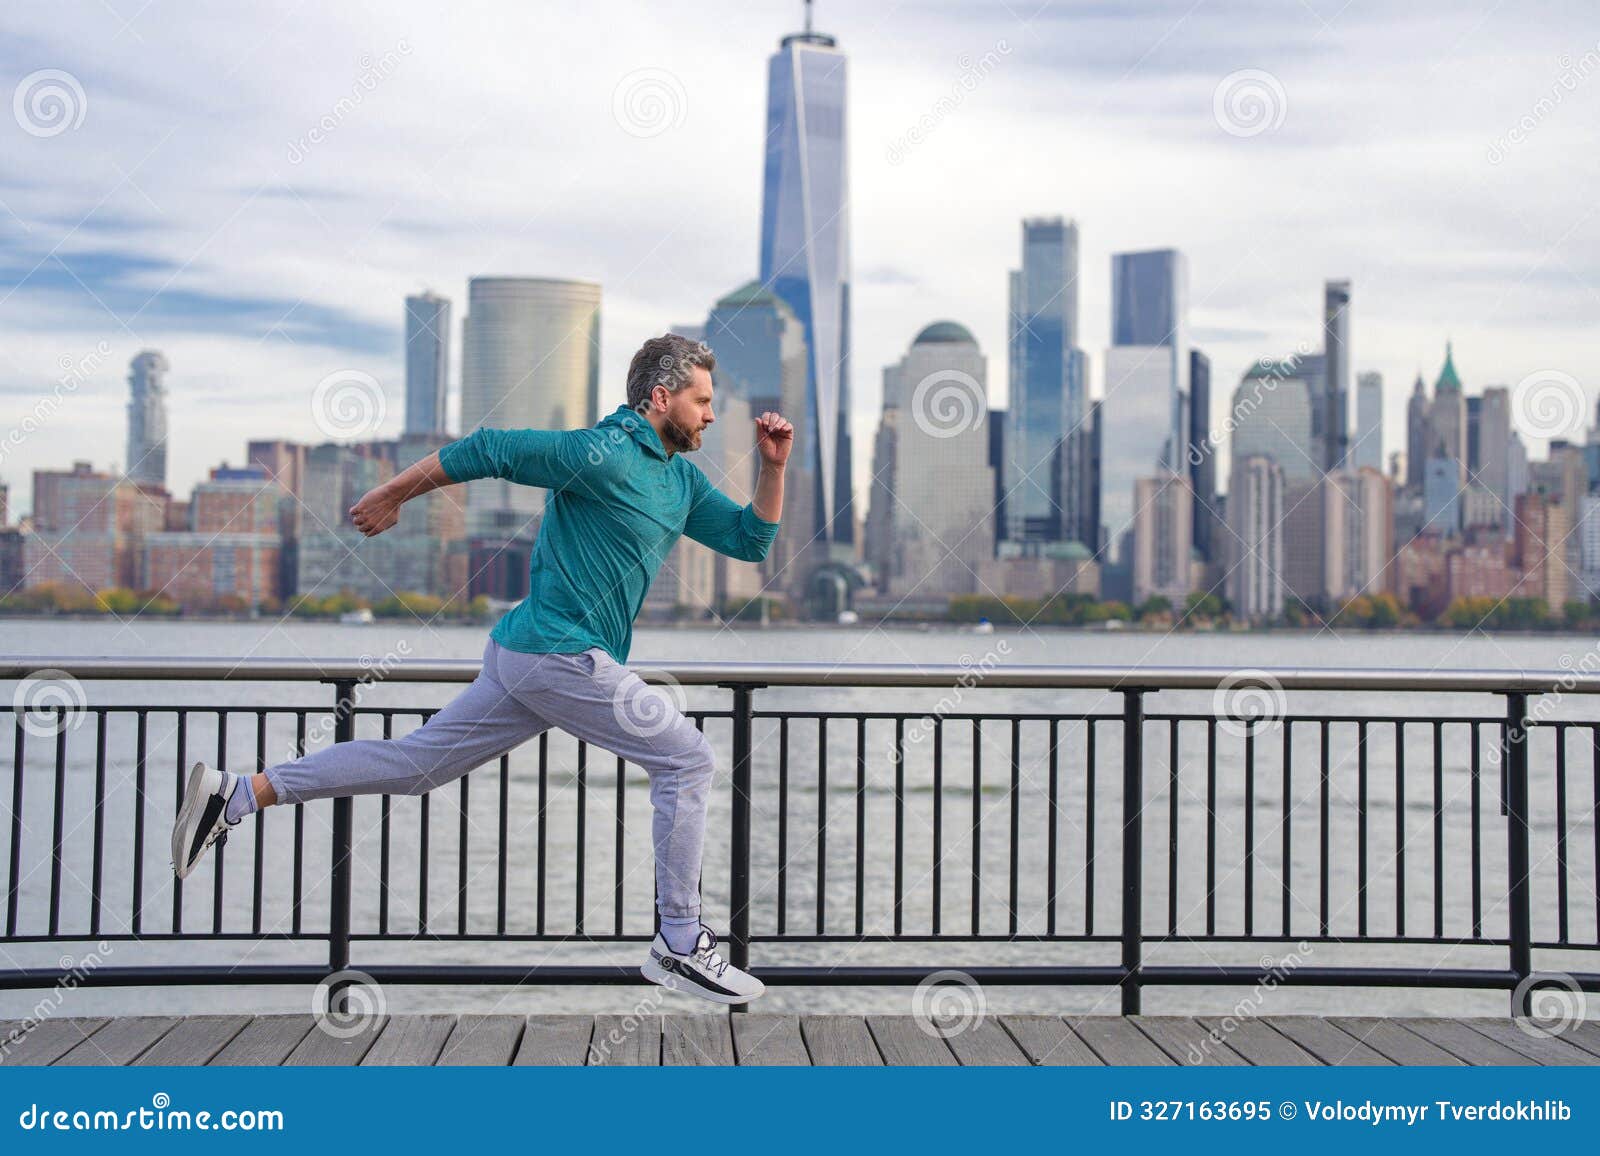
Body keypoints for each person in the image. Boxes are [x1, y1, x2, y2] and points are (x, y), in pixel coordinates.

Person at [171, 333, 791, 1005]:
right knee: (688, 760)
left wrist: (773, 467)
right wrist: (393, 493)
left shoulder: (680, 480)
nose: (710, 415)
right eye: (702, 401)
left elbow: (749, 540)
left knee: (417, 767)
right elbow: (491, 447)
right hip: (558, 652)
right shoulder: (604, 453)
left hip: (526, 657)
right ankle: (679, 941)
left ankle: (238, 794)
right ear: (661, 398)